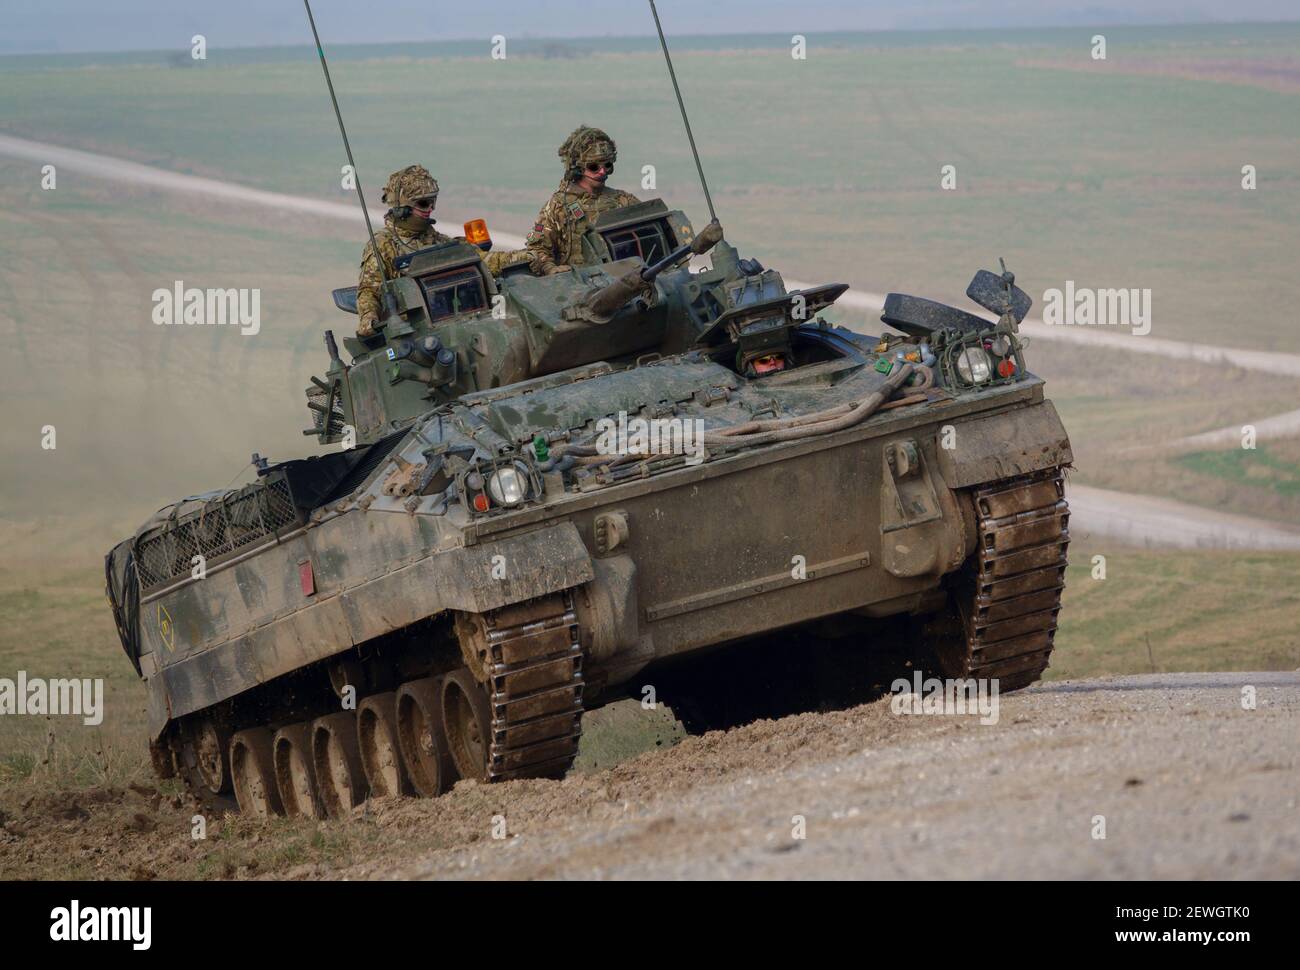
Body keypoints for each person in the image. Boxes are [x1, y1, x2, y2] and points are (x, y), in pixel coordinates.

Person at [524, 126, 641, 276]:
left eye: (608, 165)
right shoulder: (558, 206)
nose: (602, 171)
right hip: (582, 289)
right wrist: (550, 268)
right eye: (594, 167)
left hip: (625, 279)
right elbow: (537, 247)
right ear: (578, 168)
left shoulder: (623, 200)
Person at [356, 164, 449, 337]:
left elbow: (483, 260)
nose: (430, 209)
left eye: (432, 202)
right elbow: (370, 290)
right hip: (412, 334)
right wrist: (369, 316)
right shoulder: (384, 246)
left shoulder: (439, 241)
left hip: (450, 321)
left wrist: (515, 257)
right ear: (402, 208)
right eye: (423, 203)